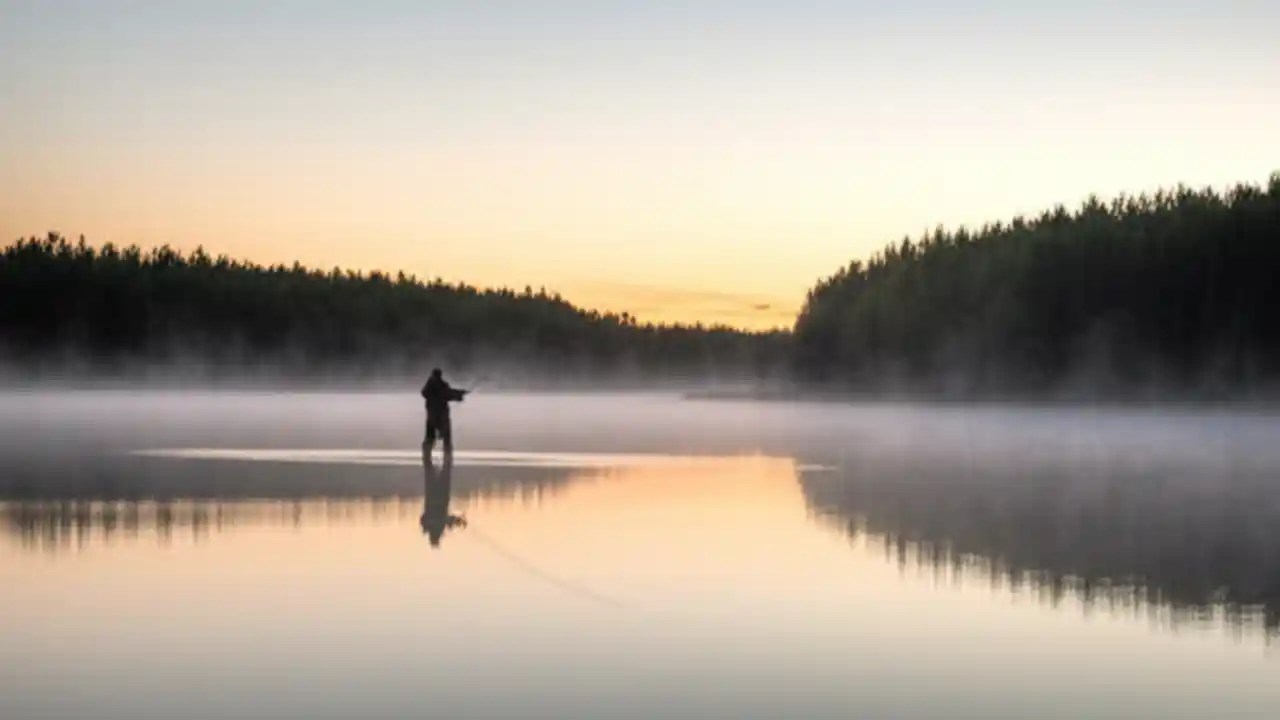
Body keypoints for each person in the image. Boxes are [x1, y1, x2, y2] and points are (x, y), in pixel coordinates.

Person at [420, 450, 465, 548]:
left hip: (439, 495)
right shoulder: (428, 526)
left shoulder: (435, 526)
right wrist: (458, 521)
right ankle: (436, 449)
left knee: (443, 468)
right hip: (434, 494)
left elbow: (448, 519)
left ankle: (442, 449)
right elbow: (448, 519)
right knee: (436, 468)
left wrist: (458, 521)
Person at [420, 367, 467, 456]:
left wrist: (458, 393)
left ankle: (427, 457)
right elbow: (446, 394)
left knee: (431, 437)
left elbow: (446, 393)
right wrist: (458, 395)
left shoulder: (431, 385)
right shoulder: (437, 385)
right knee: (444, 437)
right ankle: (446, 456)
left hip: (432, 416)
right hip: (440, 416)